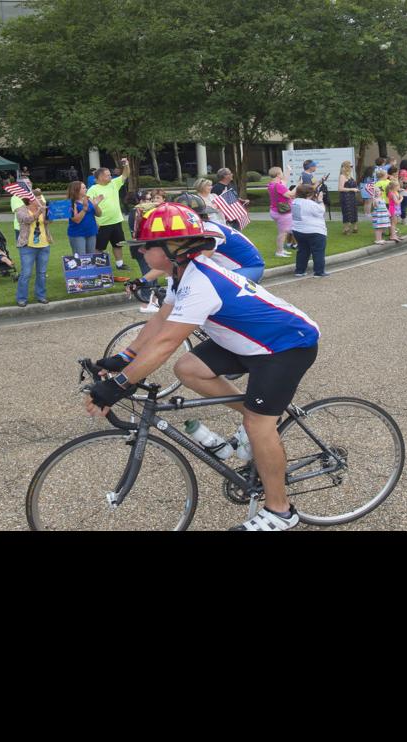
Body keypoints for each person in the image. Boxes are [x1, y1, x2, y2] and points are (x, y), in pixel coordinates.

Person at [88, 203, 321, 531]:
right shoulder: (181, 274)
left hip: (284, 345)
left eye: (147, 245)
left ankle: (281, 511)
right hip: (249, 342)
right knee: (188, 368)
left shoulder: (200, 282)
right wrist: (124, 357)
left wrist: (118, 385)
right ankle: (257, 416)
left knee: (259, 425)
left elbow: (167, 343)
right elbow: (160, 321)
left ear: (172, 249)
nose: (141, 250)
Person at [180, 194, 265, 281]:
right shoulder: (202, 227)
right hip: (236, 268)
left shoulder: (208, 229)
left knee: (207, 287)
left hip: (249, 267)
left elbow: (202, 259)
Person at [87, 156, 134, 269]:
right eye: (108, 175)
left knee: (118, 244)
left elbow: (125, 175)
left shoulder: (113, 183)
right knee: (99, 247)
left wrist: (126, 165)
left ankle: (120, 264)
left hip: (116, 221)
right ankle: (97, 266)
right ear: (100, 177)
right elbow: (88, 206)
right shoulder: (93, 189)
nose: (110, 176)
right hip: (102, 223)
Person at [12, 193, 52, 307]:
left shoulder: (43, 209)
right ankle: (21, 298)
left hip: (44, 245)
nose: (41, 200)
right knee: (26, 273)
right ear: (30, 200)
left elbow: (48, 223)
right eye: (38, 198)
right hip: (27, 246)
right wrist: (38, 212)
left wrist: (47, 215)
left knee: (42, 273)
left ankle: (41, 296)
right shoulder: (21, 210)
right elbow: (26, 220)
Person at [290, 184, 329, 278]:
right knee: (318, 251)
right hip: (315, 231)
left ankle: (300, 270)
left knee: (302, 251)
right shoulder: (311, 204)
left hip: (298, 230)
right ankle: (319, 272)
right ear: (309, 194)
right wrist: (320, 201)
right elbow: (321, 211)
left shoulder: (294, 202)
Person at [62, 181, 97, 254]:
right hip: (77, 234)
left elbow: (99, 214)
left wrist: (96, 205)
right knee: (81, 258)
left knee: (91, 256)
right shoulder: (70, 203)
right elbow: (76, 220)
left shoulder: (88, 199)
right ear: (76, 190)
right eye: (83, 188)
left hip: (91, 232)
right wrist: (84, 208)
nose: (86, 189)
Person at [266, 166, 294, 257]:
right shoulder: (279, 186)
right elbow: (291, 195)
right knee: (283, 233)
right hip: (282, 212)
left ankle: (281, 249)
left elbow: (284, 180)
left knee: (283, 232)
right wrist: (299, 186)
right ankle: (279, 252)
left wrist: (288, 170)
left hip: (275, 211)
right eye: (281, 172)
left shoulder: (272, 184)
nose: (283, 174)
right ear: (278, 175)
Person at [370, 169, 394, 244]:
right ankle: (391, 233)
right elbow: (393, 188)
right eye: (386, 174)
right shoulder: (388, 182)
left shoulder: (376, 184)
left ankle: (382, 234)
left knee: (384, 219)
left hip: (382, 202)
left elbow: (373, 191)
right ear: (384, 175)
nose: (387, 175)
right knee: (390, 219)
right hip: (386, 202)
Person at [336, 161, 360, 235]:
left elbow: (353, 185)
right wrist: (352, 189)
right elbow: (340, 188)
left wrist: (356, 189)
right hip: (346, 197)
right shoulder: (342, 176)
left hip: (352, 196)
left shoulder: (350, 176)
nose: (352, 168)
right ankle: (346, 228)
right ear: (346, 167)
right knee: (347, 211)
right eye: (351, 166)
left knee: (354, 210)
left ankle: (355, 227)